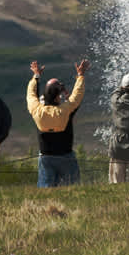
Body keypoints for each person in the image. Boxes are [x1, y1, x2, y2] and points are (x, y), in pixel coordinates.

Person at [27, 58, 88, 188]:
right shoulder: (65, 111)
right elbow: (77, 96)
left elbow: (31, 94)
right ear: (57, 97)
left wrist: (36, 76)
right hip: (65, 156)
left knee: (46, 191)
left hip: (46, 158)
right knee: (71, 190)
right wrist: (80, 76)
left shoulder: (37, 110)